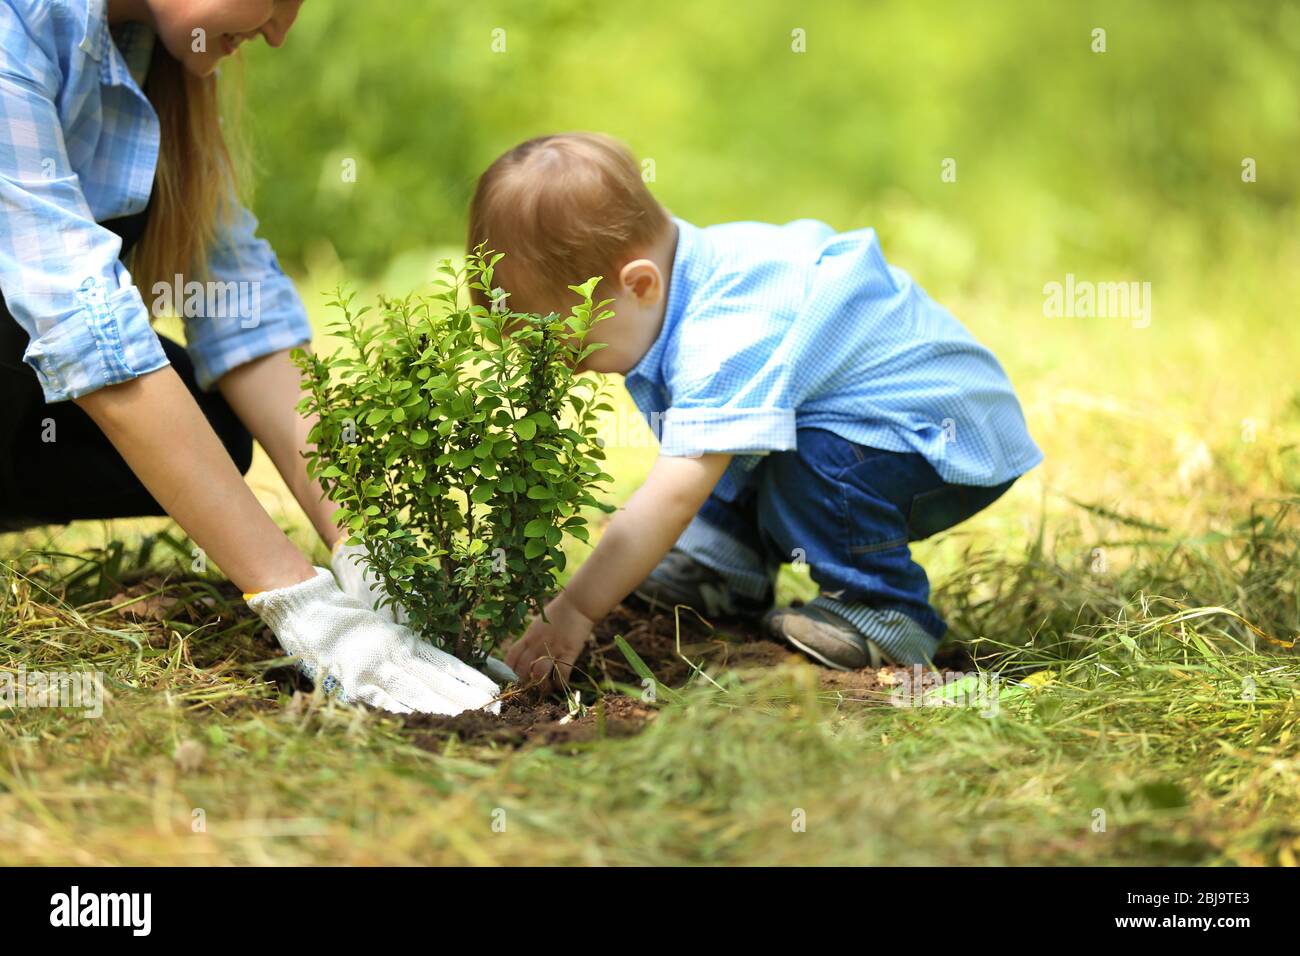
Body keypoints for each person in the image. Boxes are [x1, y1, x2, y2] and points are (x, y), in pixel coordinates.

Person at [0, 0, 499, 714]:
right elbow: (83, 324)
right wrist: (303, 606)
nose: (279, 31)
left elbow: (238, 304)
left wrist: (364, 540)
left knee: (214, 427)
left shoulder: (145, 51)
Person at [466, 133, 1043, 684]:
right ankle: (726, 565)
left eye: (572, 349)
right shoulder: (686, 278)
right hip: (904, 426)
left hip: (940, 435)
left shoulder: (724, 330)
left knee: (803, 452)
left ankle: (883, 611)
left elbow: (675, 490)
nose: (567, 368)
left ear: (638, 285)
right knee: (726, 429)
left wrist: (575, 607)